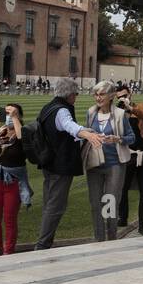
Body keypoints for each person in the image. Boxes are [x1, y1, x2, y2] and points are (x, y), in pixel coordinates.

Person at [34, 77, 105, 250]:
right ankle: (42, 245)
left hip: (49, 162)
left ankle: (43, 242)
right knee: (55, 206)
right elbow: (67, 125)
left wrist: (85, 131)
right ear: (70, 94)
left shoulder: (48, 107)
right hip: (60, 165)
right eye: (76, 93)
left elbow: (63, 129)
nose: (76, 97)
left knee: (49, 203)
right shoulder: (62, 110)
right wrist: (86, 134)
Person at [84, 81, 137, 241]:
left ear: (111, 96)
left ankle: (112, 237)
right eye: (96, 94)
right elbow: (87, 134)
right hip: (94, 164)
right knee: (95, 203)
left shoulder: (120, 115)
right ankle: (99, 239)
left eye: (102, 94)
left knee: (111, 202)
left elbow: (131, 137)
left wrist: (117, 139)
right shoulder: (91, 113)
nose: (98, 98)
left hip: (115, 164)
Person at [0, 104, 33, 255]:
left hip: (13, 183)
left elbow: (23, 142)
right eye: (6, 112)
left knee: (9, 220)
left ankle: (9, 250)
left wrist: (15, 119)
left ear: (19, 115)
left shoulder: (24, 133)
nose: (8, 116)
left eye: (12, 112)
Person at [117, 92, 143, 236]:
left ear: (131, 94)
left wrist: (132, 108)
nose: (123, 98)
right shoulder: (120, 112)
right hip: (129, 154)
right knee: (123, 188)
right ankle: (123, 218)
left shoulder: (142, 107)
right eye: (120, 96)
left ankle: (142, 224)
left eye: (125, 95)